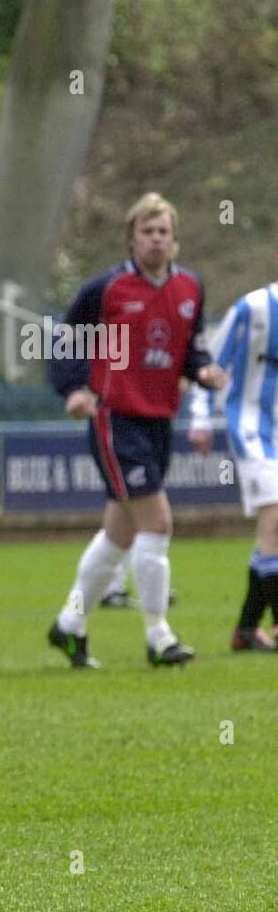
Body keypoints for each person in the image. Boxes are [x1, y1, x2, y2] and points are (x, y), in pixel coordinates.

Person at [46, 193, 225, 669]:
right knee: (158, 523)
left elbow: (193, 349)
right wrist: (74, 389)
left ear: (175, 238)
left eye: (164, 231)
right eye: (147, 231)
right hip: (115, 419)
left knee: (119, 535)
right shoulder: (106, 289)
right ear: (131, 238)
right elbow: (65, 340)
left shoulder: (191, 288)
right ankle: (158, 635)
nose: (156, 239)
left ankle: (69, 626)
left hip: (160, 420)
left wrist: (204, 371)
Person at [189, 272, 278, 651]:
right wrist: (200, 418)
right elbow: (209, 364)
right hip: (252, 431)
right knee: (275, 521)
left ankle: (245, 630)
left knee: (270, 537)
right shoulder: (252, 307)